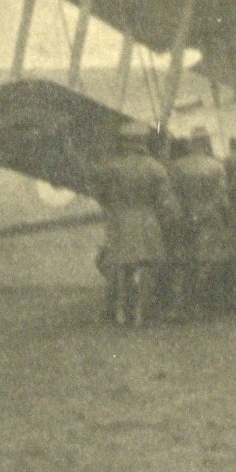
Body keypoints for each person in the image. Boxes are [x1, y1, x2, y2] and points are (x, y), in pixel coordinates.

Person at [91, 123, 179, 327]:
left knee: (123, 268)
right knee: (149, 266)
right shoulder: (155, 167)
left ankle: (126, 312)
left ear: (125, 143)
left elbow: (101, 194)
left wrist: (113, 208)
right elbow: (165, 200)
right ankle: (146, 312)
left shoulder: (113, 167)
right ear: (143, 142)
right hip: (148, 219)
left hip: (121, 220)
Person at [168, 127, 236, 315]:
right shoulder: (216, 166)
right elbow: (222, 198)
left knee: (185, 260)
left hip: (186, 217)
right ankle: (204, 302)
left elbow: (171, 196)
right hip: (210, 217)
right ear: (207, 143)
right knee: (208, 261)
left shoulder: (177, 166)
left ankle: (182, 303)